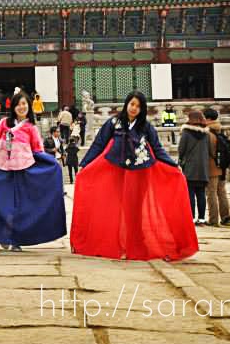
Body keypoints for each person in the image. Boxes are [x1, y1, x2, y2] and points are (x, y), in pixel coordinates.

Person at [71, 91, 198, 261]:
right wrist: (85, 164)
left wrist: (173, 165)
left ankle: (136, 244)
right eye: (132, 104)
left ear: (142, 109)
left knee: (135, 209)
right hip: (116, 171)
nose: (134, 108)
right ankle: (117, 244)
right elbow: (98, 145)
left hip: (139, 173)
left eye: (138, 106)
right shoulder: (113, 123)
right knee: (115, 207)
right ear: (127, 104)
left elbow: (158, 149)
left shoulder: (145, 126)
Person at [0, 91, 66, 251]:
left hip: (24, 171)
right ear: (13, 106)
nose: (21, 107)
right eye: (18, 104)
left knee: (20, 207)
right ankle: (0, 234)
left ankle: (16, 239)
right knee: (3, 204)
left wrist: (51, 165)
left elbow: (38, 150)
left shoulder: (31, 128)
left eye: (24, 104)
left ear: (29, 106)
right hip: (1, 170)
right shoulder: (4, 123)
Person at [177, 112, 212, 226]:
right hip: (202, 168)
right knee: (201, 193)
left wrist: (181, 159)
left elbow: (181, 149)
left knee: (190, 193)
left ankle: (191, 217)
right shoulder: (206, 134)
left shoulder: (186, 133)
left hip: (190, 167)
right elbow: (210, 150)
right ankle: (201, 218)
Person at [203, 109, 230, 226]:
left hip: (212, 167)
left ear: (208, 118)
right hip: (222, 167)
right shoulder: (220, 130)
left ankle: (213, 219)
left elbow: (206, 152)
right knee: (222, 192)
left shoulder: (207, 133)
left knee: (211, 193)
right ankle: (226, 218)